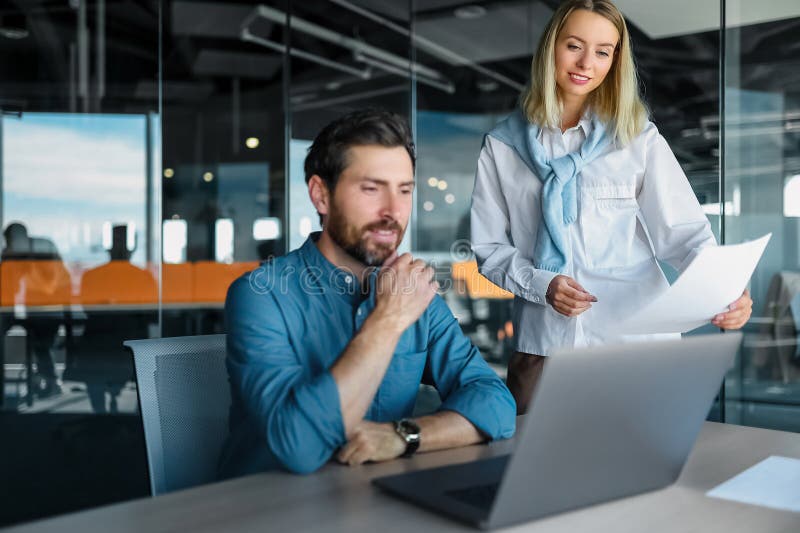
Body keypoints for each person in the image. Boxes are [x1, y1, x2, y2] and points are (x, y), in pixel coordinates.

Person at [470, 0, 753, 414]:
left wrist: (725, 291)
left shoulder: (637, 139)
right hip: (545, 344)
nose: (587, 63)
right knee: (535, 453)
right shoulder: (501, 147)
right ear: (551, 48)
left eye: (603, 52)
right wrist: (542, 284)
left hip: (637, 344)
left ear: (615, 61)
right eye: (574, 46)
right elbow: (489, 248)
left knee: (645, 453)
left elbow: (684, 235)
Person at [219, 109, 515, 477]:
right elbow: (299, 448)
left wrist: (404, 435)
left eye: (404, 190)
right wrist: (388, 320)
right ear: (321, 196)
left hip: (374, 495)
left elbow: (497, 403)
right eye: (371, 189)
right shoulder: (261, 295)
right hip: (271, 502)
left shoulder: (413, 293)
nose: (393, 211)